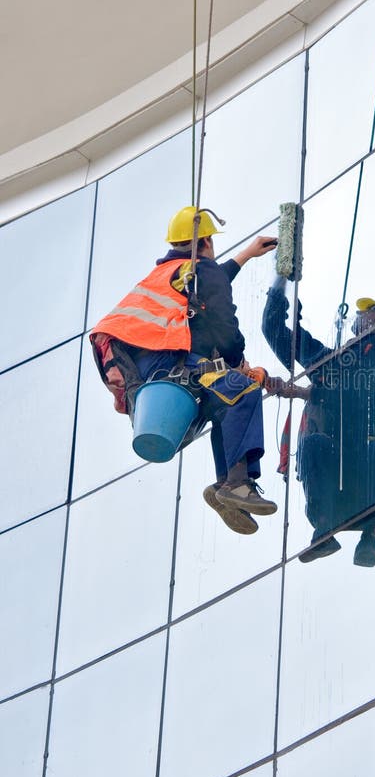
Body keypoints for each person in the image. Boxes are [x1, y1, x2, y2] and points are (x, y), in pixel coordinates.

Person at [90, 206, 279, 534]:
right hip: (177, 363)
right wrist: (239, 364)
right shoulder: (201, 271)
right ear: (206, 240)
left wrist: (245, 256)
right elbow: (223, 320)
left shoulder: (167, 273)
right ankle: (235, 484)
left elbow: (204, 285)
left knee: (224, 402)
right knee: (241, 390)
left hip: (153, 371)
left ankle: (228, 487)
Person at [262, 281, 375, 566]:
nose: (359, 316)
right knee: (313, 445)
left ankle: (369, 535)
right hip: (345, 477)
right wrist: (280, 291)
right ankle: (324, 529)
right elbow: (275, 332)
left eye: (369, 312)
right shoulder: (337, 363)